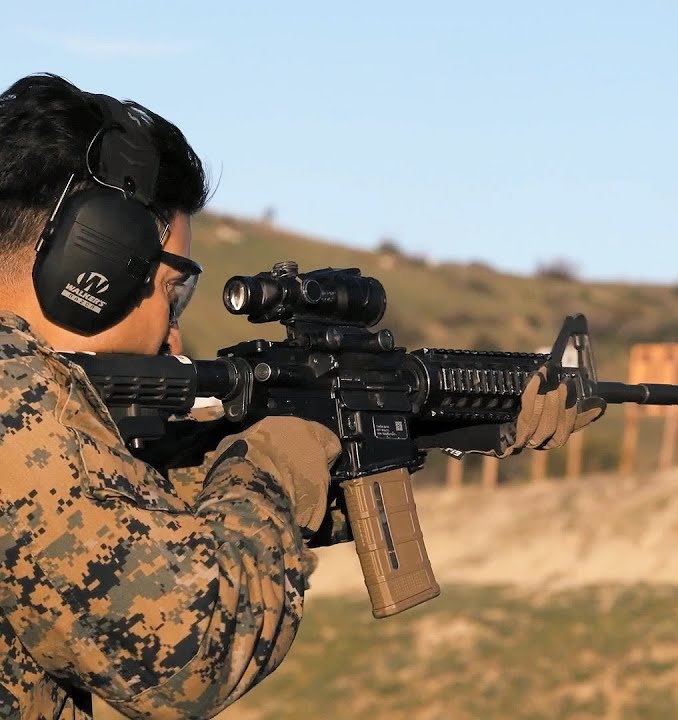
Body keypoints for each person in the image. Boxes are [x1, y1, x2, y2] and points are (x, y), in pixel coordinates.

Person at [0, 73, 602, 719]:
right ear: (97, 261)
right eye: (175, 288)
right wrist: (278, 463)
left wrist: (428, 428)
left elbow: (132, 515)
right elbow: (183, 654)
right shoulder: (19, 395)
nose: (175, 331)